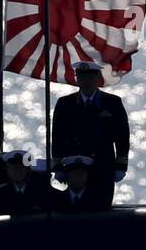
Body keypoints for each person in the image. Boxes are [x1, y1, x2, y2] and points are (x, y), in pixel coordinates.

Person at [52, 60, 130, 208]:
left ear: (98, 78)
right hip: (75, 168)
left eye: (89, 77)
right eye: (81, 77)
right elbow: (57, 137)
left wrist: (121, 165)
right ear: (77, 79)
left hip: (103, 166)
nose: (85, 81)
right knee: (74, 208)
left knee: (101, 208)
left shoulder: (112, 103)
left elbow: (122, 137)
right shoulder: (65, 104)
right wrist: (58, 166)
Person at [0, 149, 54, 215]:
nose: (17, 171)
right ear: (7, 170)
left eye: (21, 167)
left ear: (28, 170)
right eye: (13, 168)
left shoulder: (45, 194)